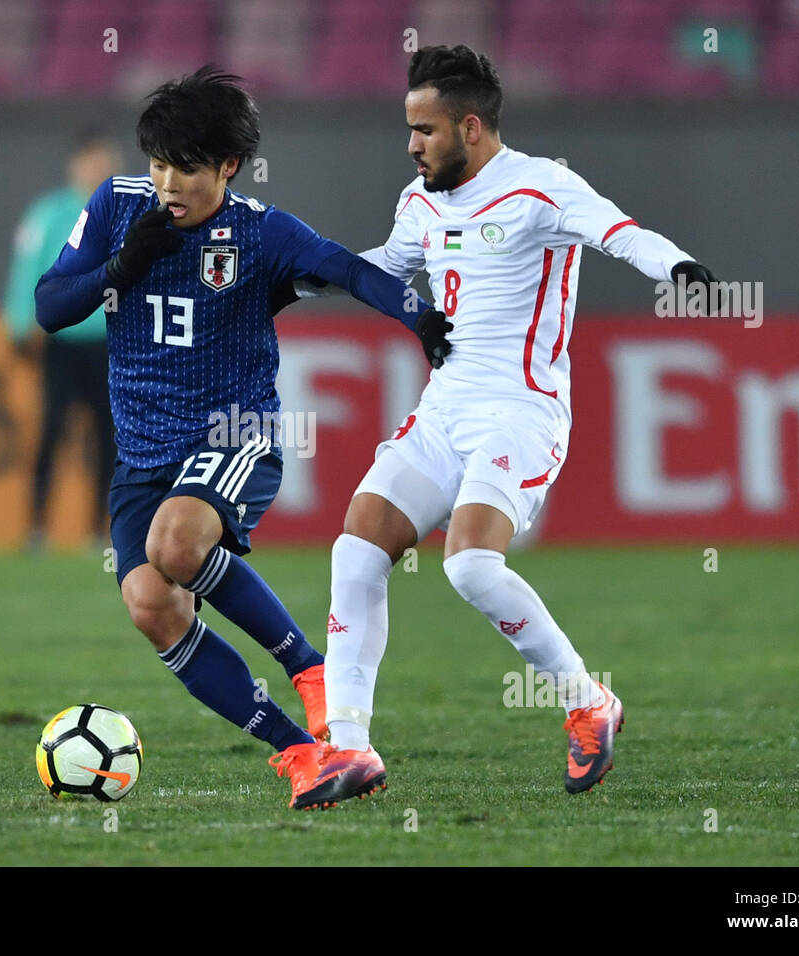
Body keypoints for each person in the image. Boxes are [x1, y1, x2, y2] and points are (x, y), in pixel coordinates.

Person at [291, 46, 719, 809]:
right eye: (408, 129)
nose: (412, 144)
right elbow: (384, 266)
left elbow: (620, 233)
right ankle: (349, 750)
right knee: (356, 550)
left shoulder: (541, 185)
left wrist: (678, 268)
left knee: (468, 568)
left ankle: (589, 703)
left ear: (472, 126)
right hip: (442, 410)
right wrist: (287, 280)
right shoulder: (419, 200)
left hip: (520, 414)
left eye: (424, 130)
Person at [35, 67, 452, 806]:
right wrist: (125, 265)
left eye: (187, 167)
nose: (168, 182)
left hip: (236, 433)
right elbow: (50, 307)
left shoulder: (260, 233)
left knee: (176, 546)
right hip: (143, 455)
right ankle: (301, 754)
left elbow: (345, 270)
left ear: (228, 166)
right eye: (159, 162)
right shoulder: (117, 207)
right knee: (150, 605)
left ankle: (310, 668)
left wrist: (416, 315)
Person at [3, 130, 119, 549]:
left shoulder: (126, 210)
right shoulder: (50, 214)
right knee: (52, 431)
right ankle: (37, 527)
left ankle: (99, 530)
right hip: (62, 344)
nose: (98, 169)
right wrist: (19, 324)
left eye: (105, 161)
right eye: (91, 161)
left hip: (111, 345)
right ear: (75, 166)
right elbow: (27, 267)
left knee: (109, 438)